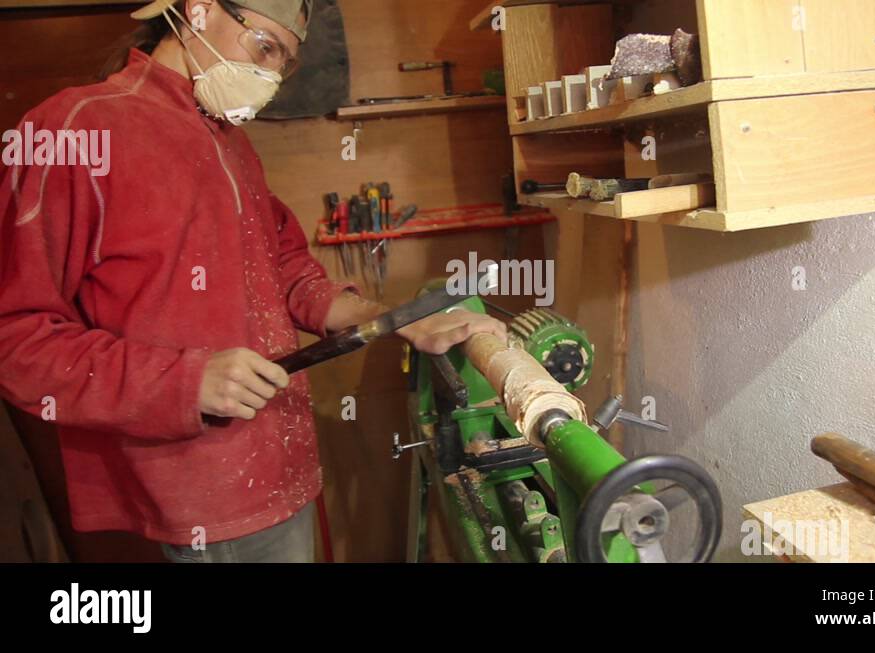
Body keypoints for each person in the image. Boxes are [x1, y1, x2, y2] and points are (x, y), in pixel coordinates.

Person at [0, 0, 506, 563]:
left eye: (282, 63)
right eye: (264, 47)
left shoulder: (227, 139)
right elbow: (16, 337)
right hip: (199, 487)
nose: (268, 78)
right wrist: (184, 383)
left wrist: (387, 319)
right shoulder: (75, 129)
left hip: (276, 457)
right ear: (197, 10)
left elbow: (282, 268)